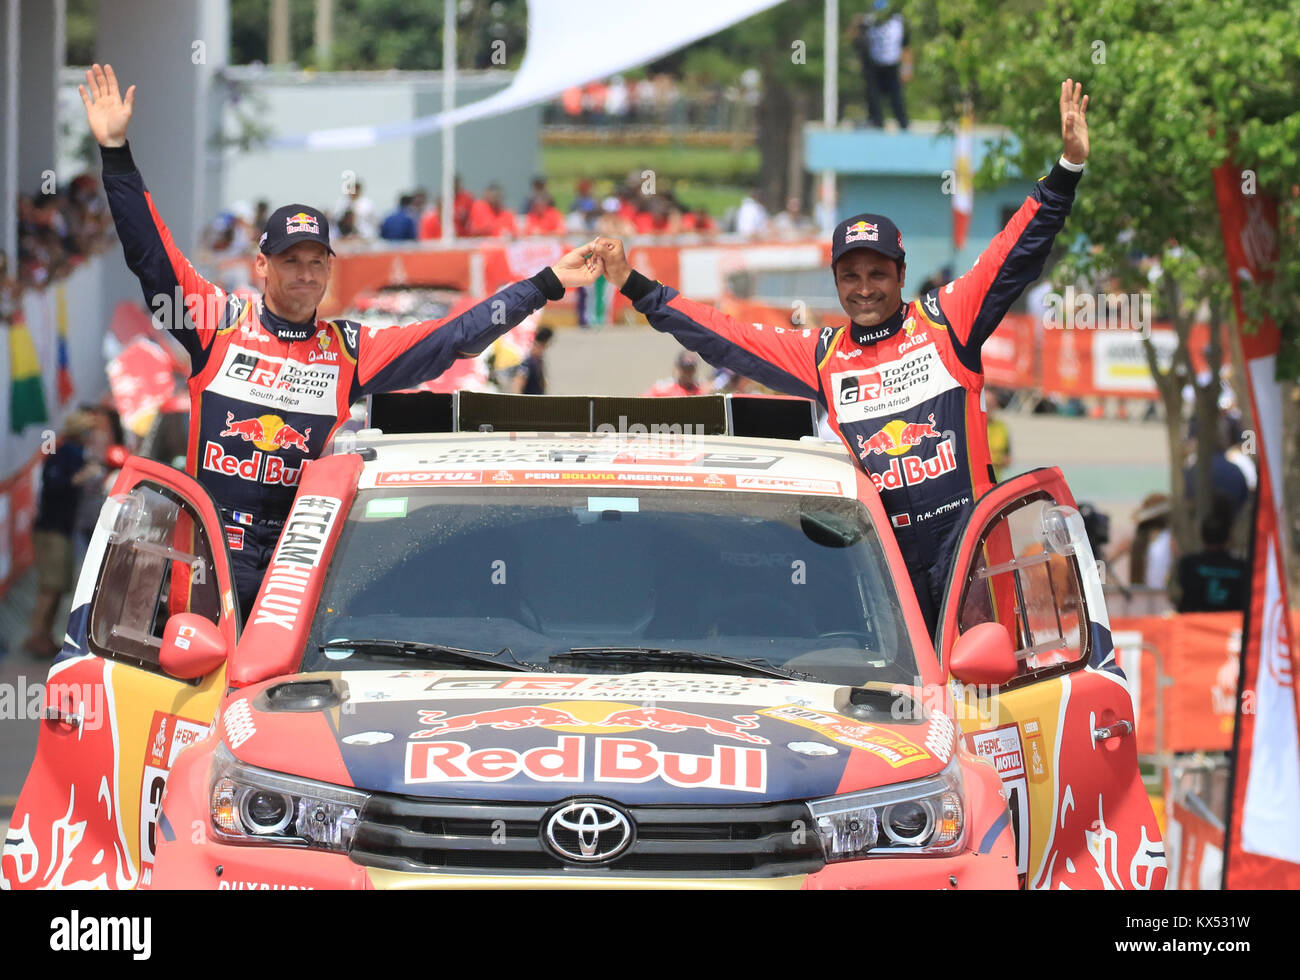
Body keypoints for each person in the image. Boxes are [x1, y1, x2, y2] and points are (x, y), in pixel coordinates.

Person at [80, 63, 601, 615]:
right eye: (289, 261)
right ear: (261, 264)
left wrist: (546, 284)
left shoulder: (351, 350)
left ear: (329, 269)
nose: (304, 274)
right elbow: (150, 255)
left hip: (296, 554)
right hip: (209, 548)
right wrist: (115, 153)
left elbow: (455, 337)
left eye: (315, 262)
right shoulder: (218, 323)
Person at [593, 80, 1091, 632]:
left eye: (878, 273)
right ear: (835, 281)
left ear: (900, 275)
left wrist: (1065, 169)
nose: (865, 287)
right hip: (882, 564)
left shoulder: (947, 320)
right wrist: (638, 287)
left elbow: (1014, 253)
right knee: (903, 703)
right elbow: (724, 335)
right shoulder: (823, 355)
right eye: (850, 275)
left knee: (981, 694)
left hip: (968, 552)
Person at [24, 411, 98, 657]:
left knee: (58, 587)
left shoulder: (77, 455)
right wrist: (78, 478)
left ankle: (44, 635)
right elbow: (54, 484)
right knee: (49, 587)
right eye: (88, 430)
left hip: (63, 529)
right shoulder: (61, 454)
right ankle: (36, 636)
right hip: (51, 529)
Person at [851, 1, 912, 130]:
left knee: (896, 97)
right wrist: (857, 24)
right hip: (874, 66)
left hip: (892, 65)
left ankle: (903, 123)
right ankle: (876, 121)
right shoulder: (868, 21)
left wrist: (907, 68)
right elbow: (855, 39)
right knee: (872, 94)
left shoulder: (899, 21)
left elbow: (906, 46)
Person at [1176, 508, 1248, 613]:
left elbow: (1178, 594)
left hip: (1194, 625)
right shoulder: (1241, 566)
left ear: (1202, 536)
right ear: (1229, 537)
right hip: (1232, 626)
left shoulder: (1189, 563)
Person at [512, 326, 554, 394]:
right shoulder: (527, 362)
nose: (543, 350)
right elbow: (518, 381)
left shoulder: (539, 361)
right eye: (542, 346)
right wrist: (518, 401)